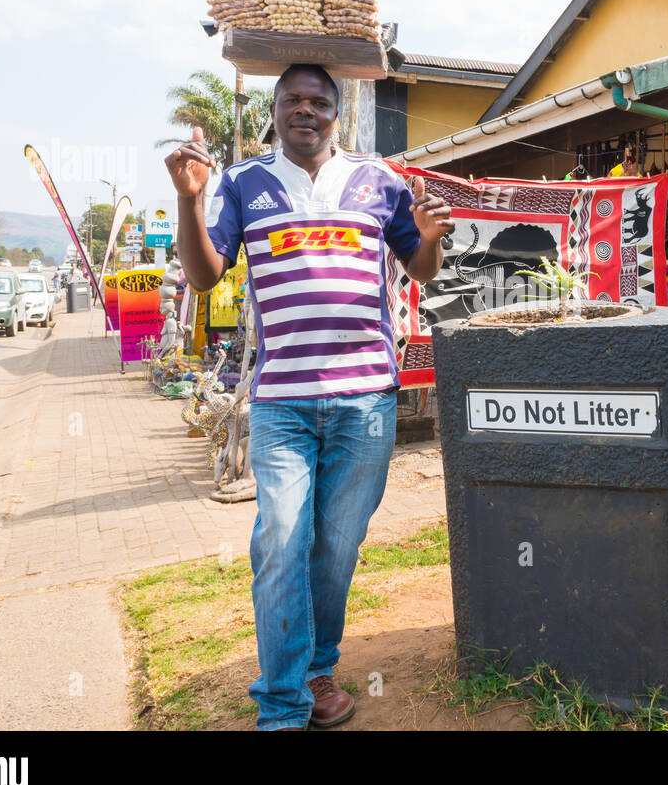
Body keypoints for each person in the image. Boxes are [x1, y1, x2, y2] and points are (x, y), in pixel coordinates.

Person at [166, 63, 453, 731]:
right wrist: (189, 200)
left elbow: (420, 267)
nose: (305, 109)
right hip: (282, 403)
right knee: (281, 542)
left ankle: (317, 667)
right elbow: (207, 276)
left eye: (318, 100)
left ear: (337, 112)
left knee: (335, 548)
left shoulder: (381, 182)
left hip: (366, 402)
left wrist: (431, 240)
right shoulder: (241, 182)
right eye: (292, 99)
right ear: (274, 109)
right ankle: (283, 705)